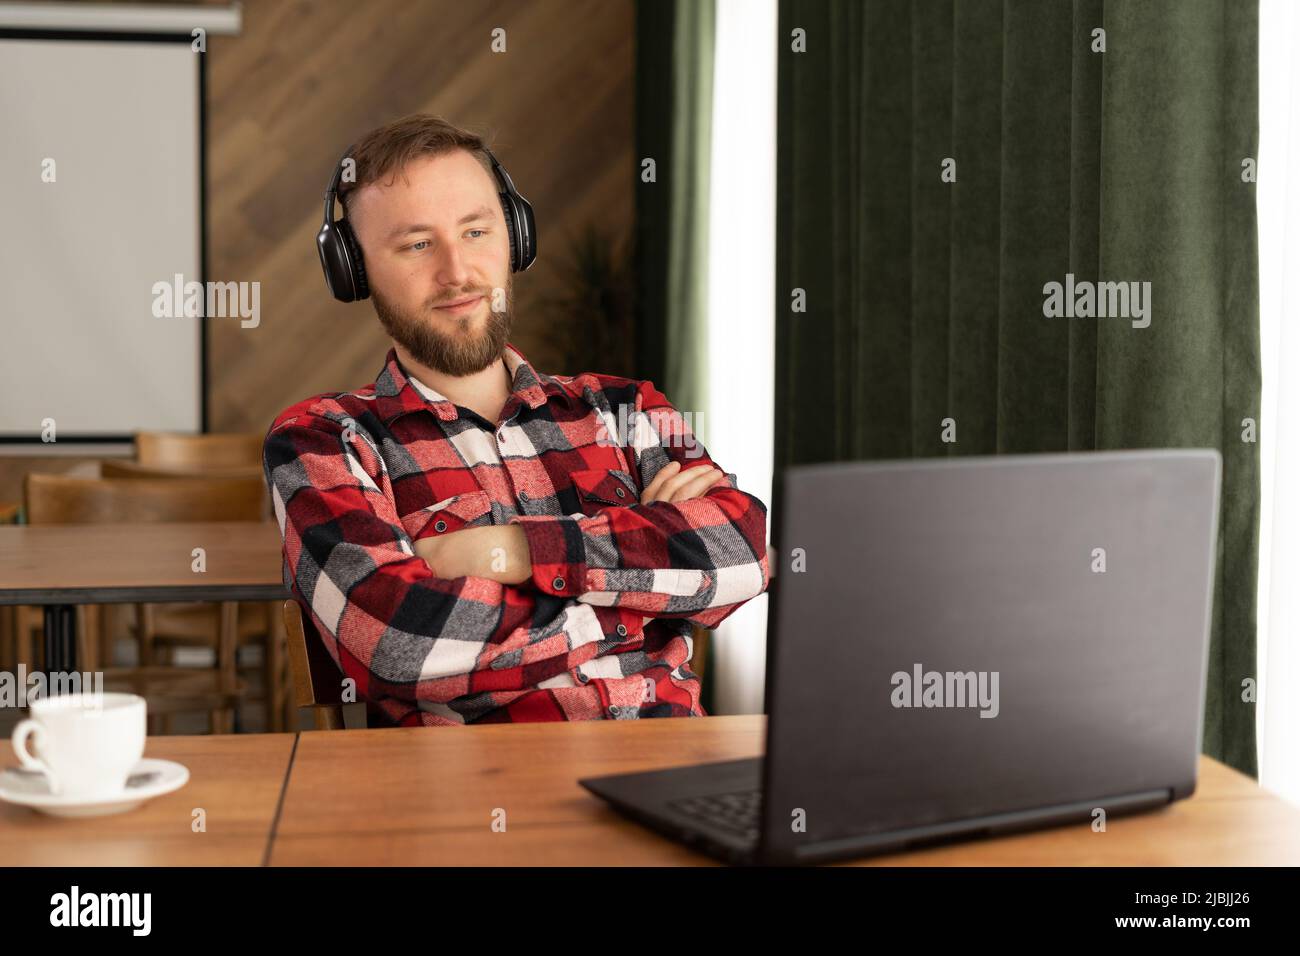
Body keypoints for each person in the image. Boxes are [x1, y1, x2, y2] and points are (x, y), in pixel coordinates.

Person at [263, 114, 770, 726]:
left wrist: (509, 549)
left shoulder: (624, 409)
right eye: (417, 244)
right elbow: (400, 643)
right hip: (476, 798)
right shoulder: (324, 440)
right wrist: (638, 597)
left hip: (669, 770)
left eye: (476, 231)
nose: (457, 272)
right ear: (354, 270)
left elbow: (746, 549)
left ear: (515, 236)